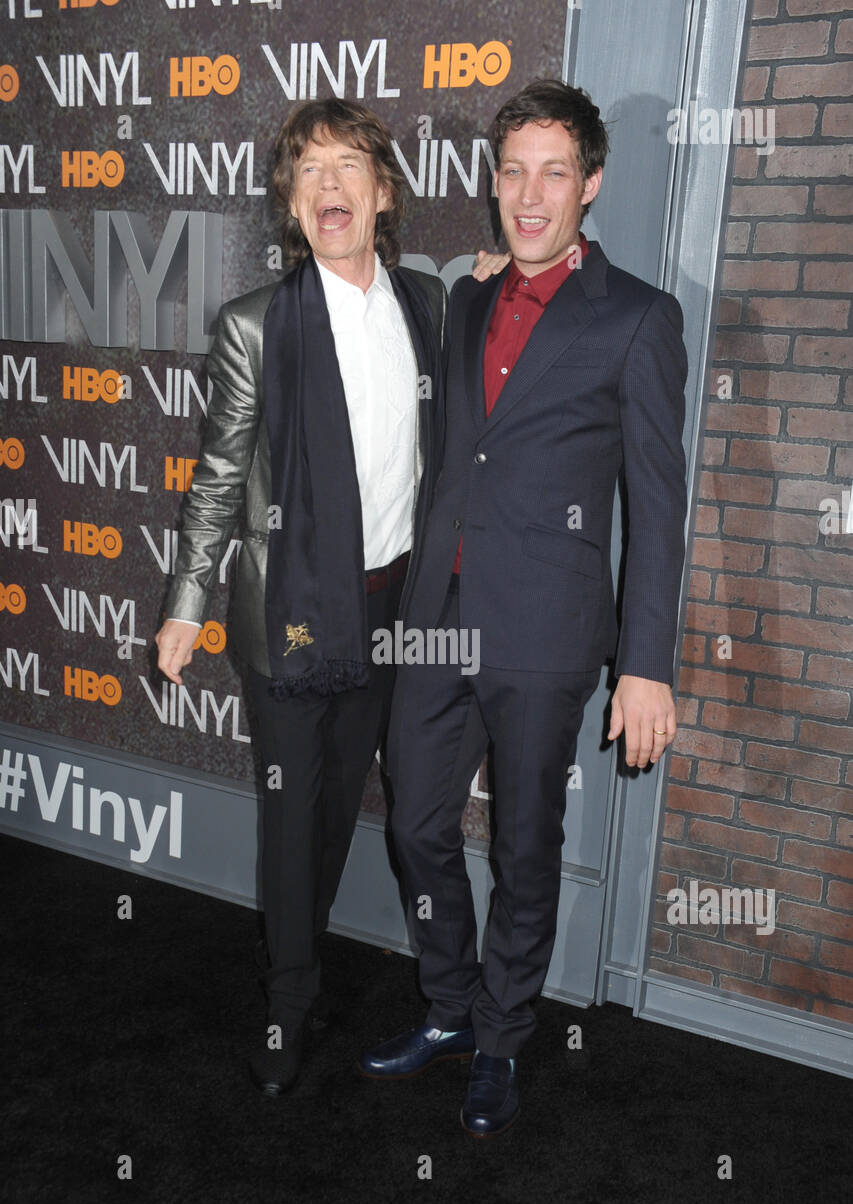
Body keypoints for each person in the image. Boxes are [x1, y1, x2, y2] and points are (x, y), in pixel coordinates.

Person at [359, 79, 689, 1137]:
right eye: (513, 172)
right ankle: (449, 1004)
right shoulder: (465, 299)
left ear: (590, 183)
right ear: (492, 183)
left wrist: (646, 664)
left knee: (526, 847)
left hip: (546, 632)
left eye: (555, 172)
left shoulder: (639, 317)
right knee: (414, 823)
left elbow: (657, 503)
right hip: (437, 613)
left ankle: (500, 1037)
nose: (531, 194)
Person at [155, 97, 503, 1097]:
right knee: (290, 821)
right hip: (293, 615)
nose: (329, 185)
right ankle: (288, 1003)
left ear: (383, 193)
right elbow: (219, 475)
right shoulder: (253, 327)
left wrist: (478, 284)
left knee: (348, 804)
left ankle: (330, 964)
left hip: (398, 611)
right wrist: (186, 601)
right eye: (308, 171)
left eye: (349, 165)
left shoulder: (428, 308)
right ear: (291, 205)